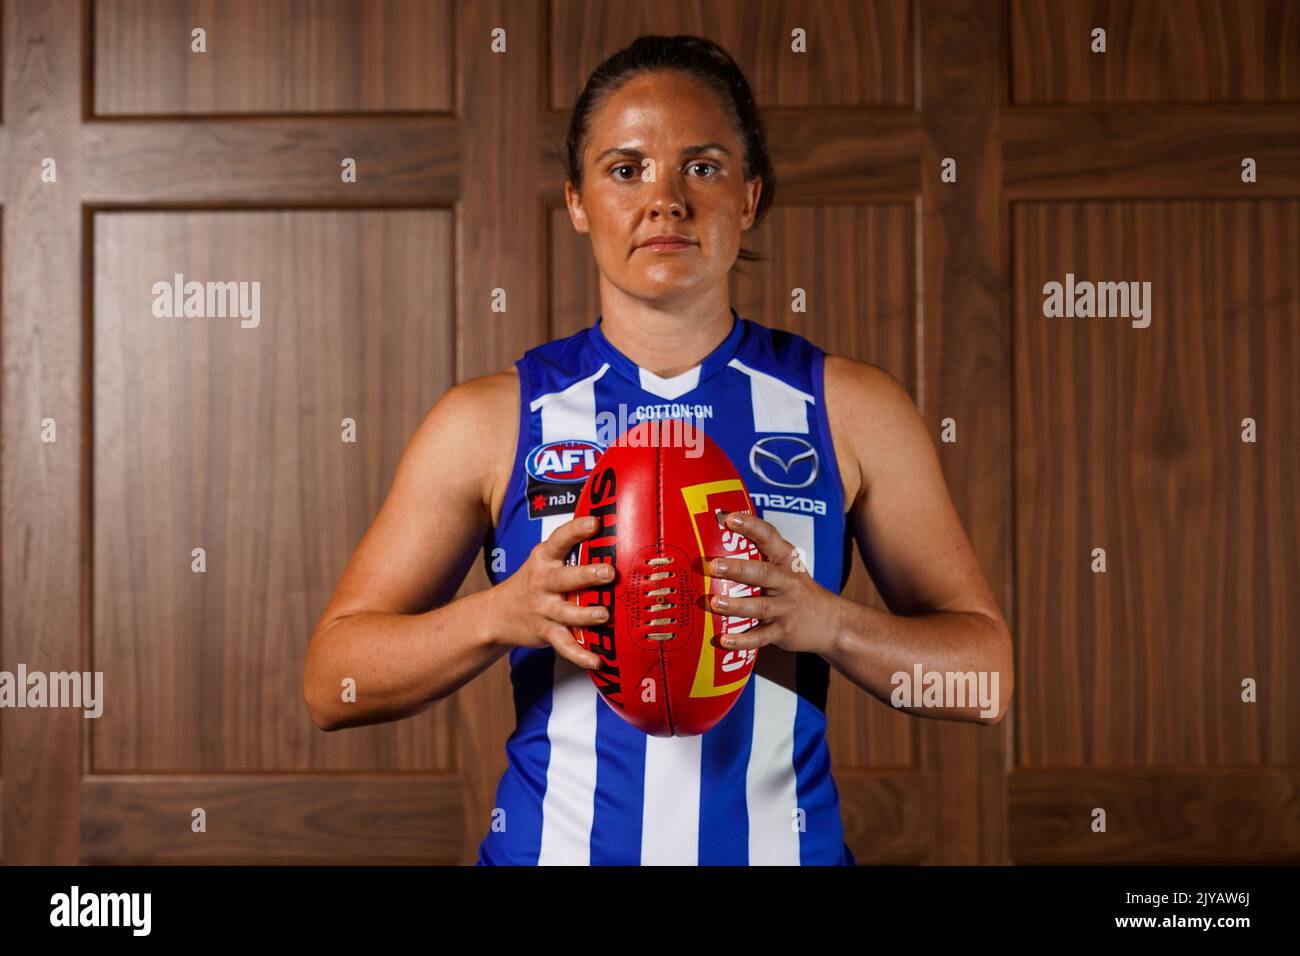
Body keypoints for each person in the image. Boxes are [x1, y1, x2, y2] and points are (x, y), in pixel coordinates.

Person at [303, 35, 1013, 866]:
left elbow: (986, 681)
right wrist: (500, 614)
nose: (666, 201)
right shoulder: (491, 419)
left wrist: (830, 624)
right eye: (626, 168)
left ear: (749, 198)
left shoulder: (849, 407)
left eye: (703, 168)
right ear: (576, 201)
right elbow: (331, 682)